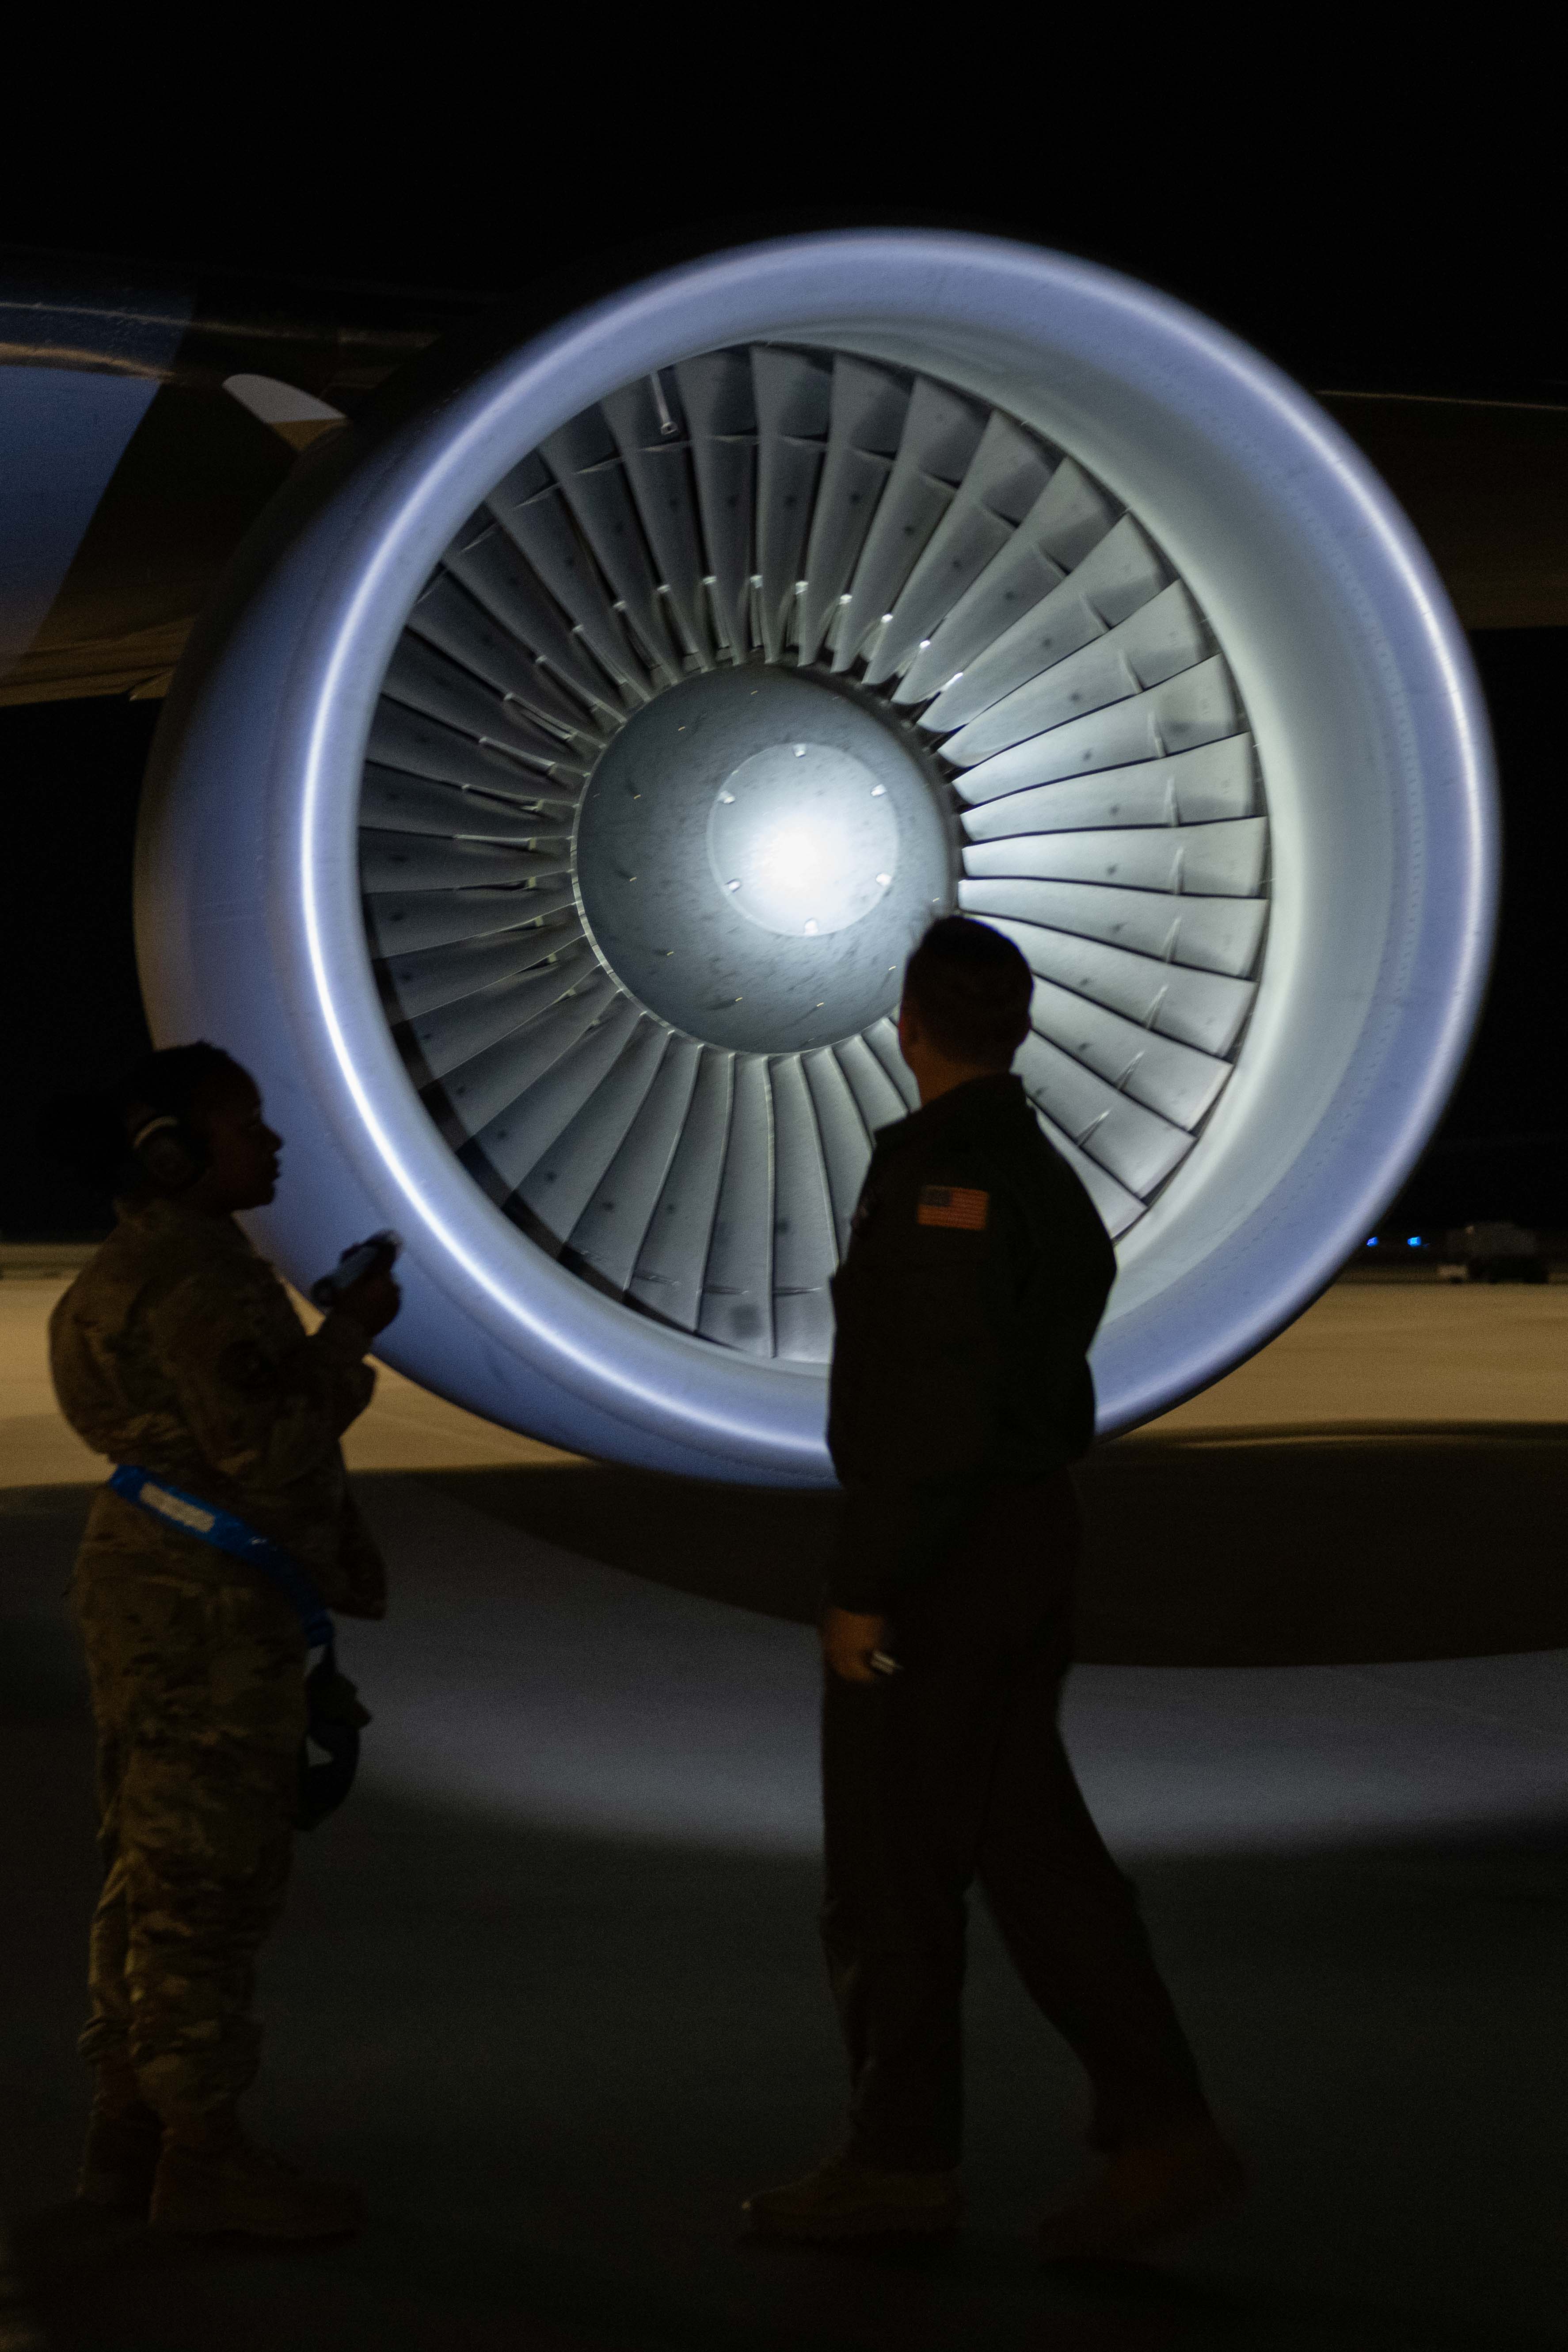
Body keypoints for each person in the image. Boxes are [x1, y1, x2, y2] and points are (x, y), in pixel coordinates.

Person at [744, 918, 1243, 2259]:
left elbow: (929, 1410)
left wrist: (865, 1585)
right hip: (1022, 1546)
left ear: (907, 1023)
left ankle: (900, 2160)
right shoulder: (1034, 1170)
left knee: (893, 1873)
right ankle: (1160, 2126)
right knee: (1031, 1854)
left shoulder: (940, 1180)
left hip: (947, 1567)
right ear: (1013, 1026)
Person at [44, 1043, 400, 2241]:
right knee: (209, 1873)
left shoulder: (121, 1271)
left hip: (147, 1580)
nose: (272, 1143)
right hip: (208, 1603)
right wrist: (349, 1332)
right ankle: (203, 2153)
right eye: (244, 1125)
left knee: (146, 1862)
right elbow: (270, 1443)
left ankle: (126, 2133)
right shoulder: (205, 1281)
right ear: (173, 1152)